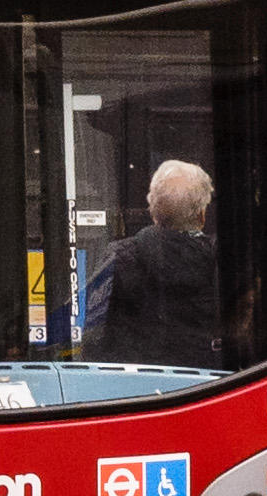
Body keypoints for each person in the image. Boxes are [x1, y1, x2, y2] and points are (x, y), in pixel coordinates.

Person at [86, 157, 225, 370]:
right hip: (211, 380)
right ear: (201, 215)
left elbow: (94, 336)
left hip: (135, 381)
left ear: (153, 210)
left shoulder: (118, 258)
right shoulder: (223, 261)